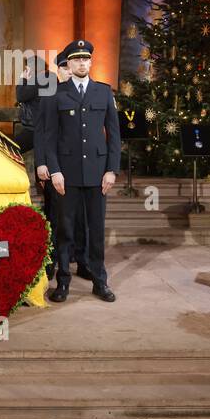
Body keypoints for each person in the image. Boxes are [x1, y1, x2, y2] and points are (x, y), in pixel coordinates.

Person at [38, 39, 120, 303]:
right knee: (66, 229)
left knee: (96, 229)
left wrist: (112, 170)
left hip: (98, 174)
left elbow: (114, 136)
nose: (81, 63)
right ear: (69, 64)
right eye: (76, 60)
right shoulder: (55, 94)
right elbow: (49, 137)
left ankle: (100, 281)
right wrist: (54, 170)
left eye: (85, 59)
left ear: (91, 62)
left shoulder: (104, 92)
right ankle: (62, 282)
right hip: (67, 174)